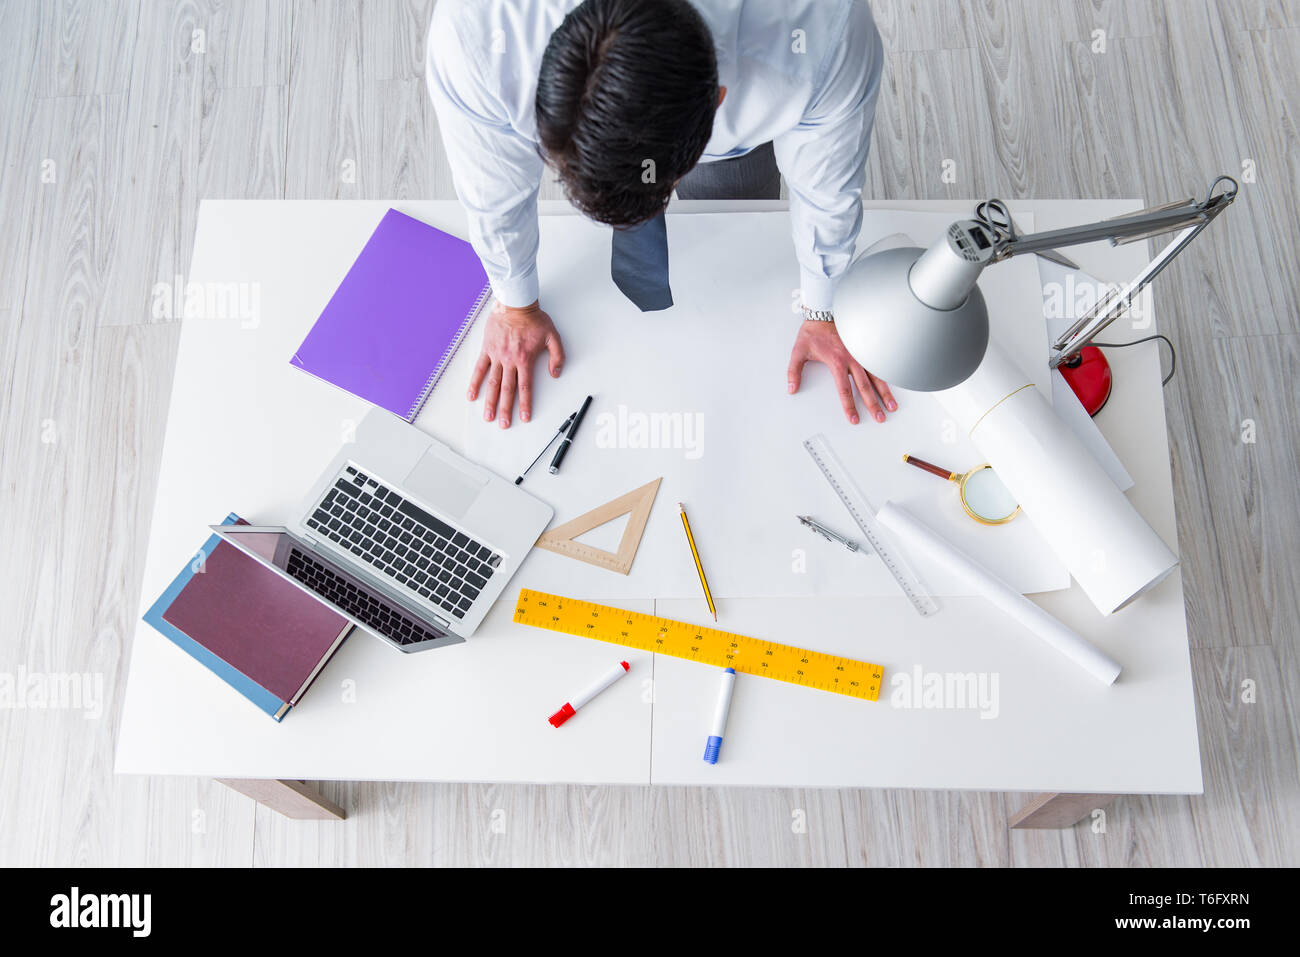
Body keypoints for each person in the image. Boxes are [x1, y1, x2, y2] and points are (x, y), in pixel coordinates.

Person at [426, 0, 896, 428]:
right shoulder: (476, 31)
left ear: (717, 99)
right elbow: (494, 191)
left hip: (744, 120)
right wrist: (515, 304)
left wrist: (822, 306)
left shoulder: (825, 27)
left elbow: (827, 189)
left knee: (738, 216)